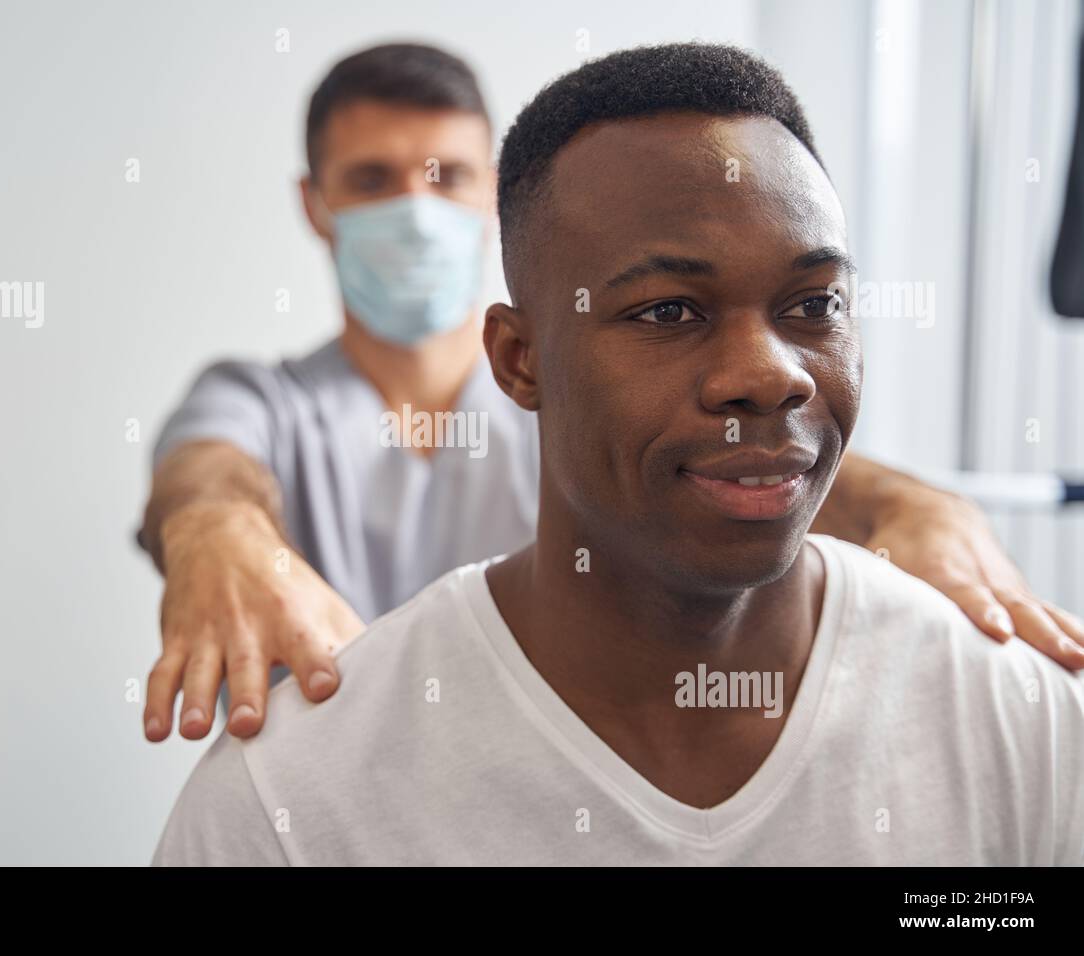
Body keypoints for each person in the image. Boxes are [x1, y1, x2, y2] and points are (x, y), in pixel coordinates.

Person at [152, 42, 1084, 866]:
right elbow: (207, 472)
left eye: (815, 304)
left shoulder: (1020, 725)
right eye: (667, 313)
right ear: (523, 362)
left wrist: (910, 506)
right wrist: (213, 530)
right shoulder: (283, 799)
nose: (767, 379)